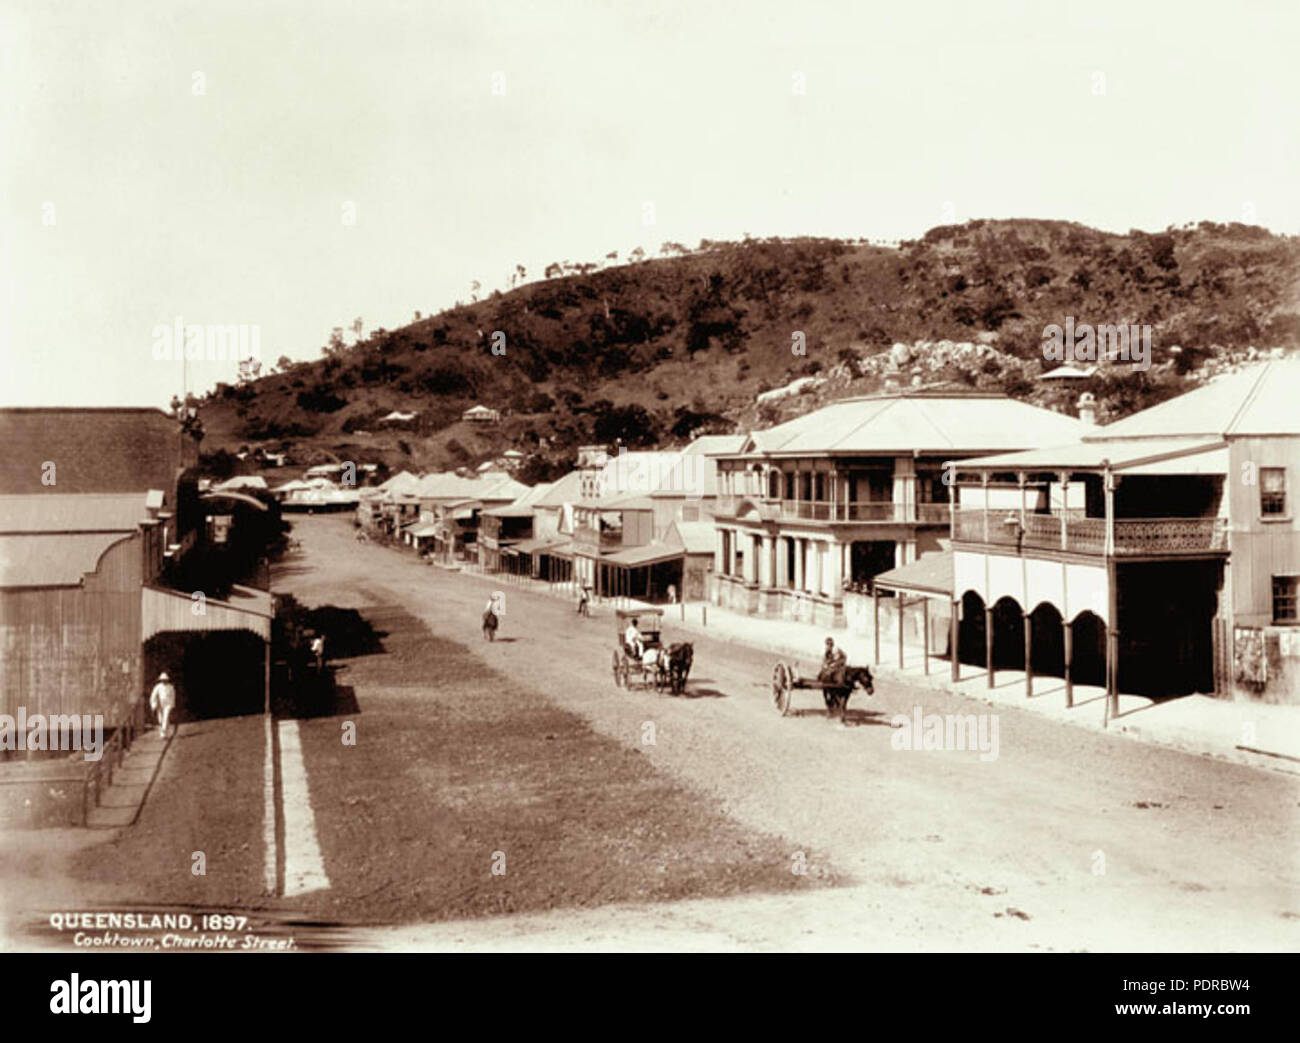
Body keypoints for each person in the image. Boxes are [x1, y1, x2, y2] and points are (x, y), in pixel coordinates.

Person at [150, 671, 177, 739]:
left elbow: (173, 696)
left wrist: (172, 705)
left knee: (166, 716)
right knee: (161, 720)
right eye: (162, 680)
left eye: (165, 680)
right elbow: (153, 696)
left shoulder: (171, 687)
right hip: (160, 704)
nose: (164, 681)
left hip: (168, 704)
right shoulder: (158, 687)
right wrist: (154, 705)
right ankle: (167, 731)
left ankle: (163, 734)